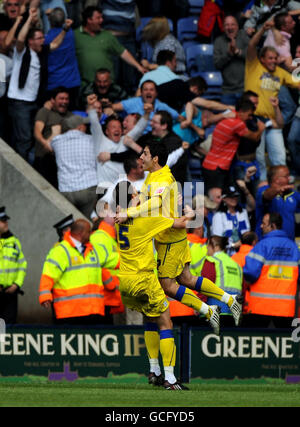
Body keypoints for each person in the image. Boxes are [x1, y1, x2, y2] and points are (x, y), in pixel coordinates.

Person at [115, 141, 244, 335]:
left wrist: (129, 212)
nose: (140, 157)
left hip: (169, 238)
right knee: (186, 278)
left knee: (167, 285)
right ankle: (229, 300)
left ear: (155, 159)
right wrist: (127, 209)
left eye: (145, 154)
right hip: (171, 234)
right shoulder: (153, 176)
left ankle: (208, 310)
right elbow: (143, 198)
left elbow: (156, 202)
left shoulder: (164, 179)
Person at [114, 180, 192, 389]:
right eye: (137, 193)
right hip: (144, 278)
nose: (140, 194)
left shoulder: (118, 220)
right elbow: (182, 223)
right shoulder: (145, 220)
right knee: (166, 323)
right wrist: (191, 212)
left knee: (150, 319)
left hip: (126, 281)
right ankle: (170, 378)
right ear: (132, 197)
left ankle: (153, 370)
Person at [7, 8, 73, 162]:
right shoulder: (22, 52)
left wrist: (64, 30)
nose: (43, 40)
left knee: (30, 137)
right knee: (24, 139)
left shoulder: (41, 52)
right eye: (39, 38)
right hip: (19, 102)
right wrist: (29, 19)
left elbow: (55, 44)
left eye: (43, 37)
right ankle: (23, 170)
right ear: (31, 41)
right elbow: (21, 38)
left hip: (33, 102)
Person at [244, 19, 300, 182]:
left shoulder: (280, 73)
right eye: (270, 58)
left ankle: (280, 185)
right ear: (262, 59)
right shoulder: (254, 66)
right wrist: (262, 30)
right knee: (259, 158)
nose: (273, 61)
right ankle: (262, 188)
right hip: (253, 121)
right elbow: (251, 46)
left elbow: (297, 84)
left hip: (272, 121)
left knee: (280, 157)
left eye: (275, 58)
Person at [39, 219, 116, 325]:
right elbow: (48, 274)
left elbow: (107, 264)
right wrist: (45, 295)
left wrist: (112, 286)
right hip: (69, 313)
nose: (91, 234)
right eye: (89, 232)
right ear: (81, 233)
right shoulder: (60, 251)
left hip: (93, 311)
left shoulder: (93, 250)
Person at [243, 212, 300, 328]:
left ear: (273, 226)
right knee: (283, 344)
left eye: (264, 223)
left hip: (260, 307)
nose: (261, 226)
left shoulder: (261, 246)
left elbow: (250, 272)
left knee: (256, 343)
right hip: (285, 309)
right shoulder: (294, 248)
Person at [202, 99, 265, 191]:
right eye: (249, 115)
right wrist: (261, 128)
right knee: (216, 198)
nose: (250, 118)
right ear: (241, 112)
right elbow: (255, 137)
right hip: (218, 167)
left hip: (210, 164)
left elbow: (210, 119)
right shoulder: (237, 124)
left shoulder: (230, 115)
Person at [74, 6, 145, 87]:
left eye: (102, 17)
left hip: (108, 85)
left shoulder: (107, 35)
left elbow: (123, 52)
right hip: (86, 85)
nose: (102, 20)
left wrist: (138, 66)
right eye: (98, 18)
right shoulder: (75, 35)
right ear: (89, 20)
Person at [196, 235, 243, 327]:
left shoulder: (211, 261)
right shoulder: (236, 265)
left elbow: (205, 286)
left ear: (216, 246)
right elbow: (243, 290)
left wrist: (198, 305)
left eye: (208, 246)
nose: (206, 249)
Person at [33, 86, 73, 187]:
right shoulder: (45, 112)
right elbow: (37, 132)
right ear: (52, 100)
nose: (64, 101)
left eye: (66, 99)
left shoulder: (71, 116)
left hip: (62, 161)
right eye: (61, 98)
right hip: (44, 158)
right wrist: (45, 143)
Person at [137, 110, 188, 186]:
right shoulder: (150, 136)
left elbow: (166, 162)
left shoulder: (175, 142)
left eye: (155, 122)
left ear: (164, 126)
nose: (151, 124)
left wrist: (136, 148)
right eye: (151, 121)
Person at [112, 79, 182, 134]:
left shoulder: (161, 106)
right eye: (145, 89)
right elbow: (112, 107)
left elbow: (180, 118)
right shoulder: (133, 102)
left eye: (151, 90)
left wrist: (188, 123)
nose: (148, 92)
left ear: (156, 93)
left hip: (155, 137)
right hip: (135, 137)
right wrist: (111, 111)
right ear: (141, 93)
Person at [44, 7, 81, 109]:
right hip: (71, 82)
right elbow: (60, 22)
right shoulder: (70, 34)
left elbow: (53, 21)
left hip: (54, 83)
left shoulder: (45, 39)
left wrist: (50, 16)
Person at [255, 165, 300, 240]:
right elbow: (266, 195)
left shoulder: (293, 194)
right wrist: (278, 190)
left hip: (288, 244)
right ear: (276, 179)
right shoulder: (263, 190)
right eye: (286, 176)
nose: (289, 178)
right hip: (267, 243)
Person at [213, 15, 250, 106]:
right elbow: (217, 64)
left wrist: (237, 51)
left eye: (232, 24)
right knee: (228, 118)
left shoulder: (244, 37)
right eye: (227, 25)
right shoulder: (218, 41)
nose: (230, 27)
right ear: (223, 27)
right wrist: (229, 54)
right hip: (227, 90)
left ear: (237, 26)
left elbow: (253, 57)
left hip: (246, 88)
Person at [0, 206, 27, 324]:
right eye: (2, 221)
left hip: (10, 293)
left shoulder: (14, 242)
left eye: (6, 220)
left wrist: (16, 284)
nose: (6, 223)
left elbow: (22, 265)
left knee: (9, 327)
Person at [211, 185, 251, 256]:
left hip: (244, 252)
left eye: (235, 196)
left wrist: (242, 242)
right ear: (224, 199)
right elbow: (217, 240)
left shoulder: (243, 212)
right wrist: (233, 245)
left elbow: (248, 232)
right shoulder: (218, 216)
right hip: (226, 254)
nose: (234, 199)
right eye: (231, 197)